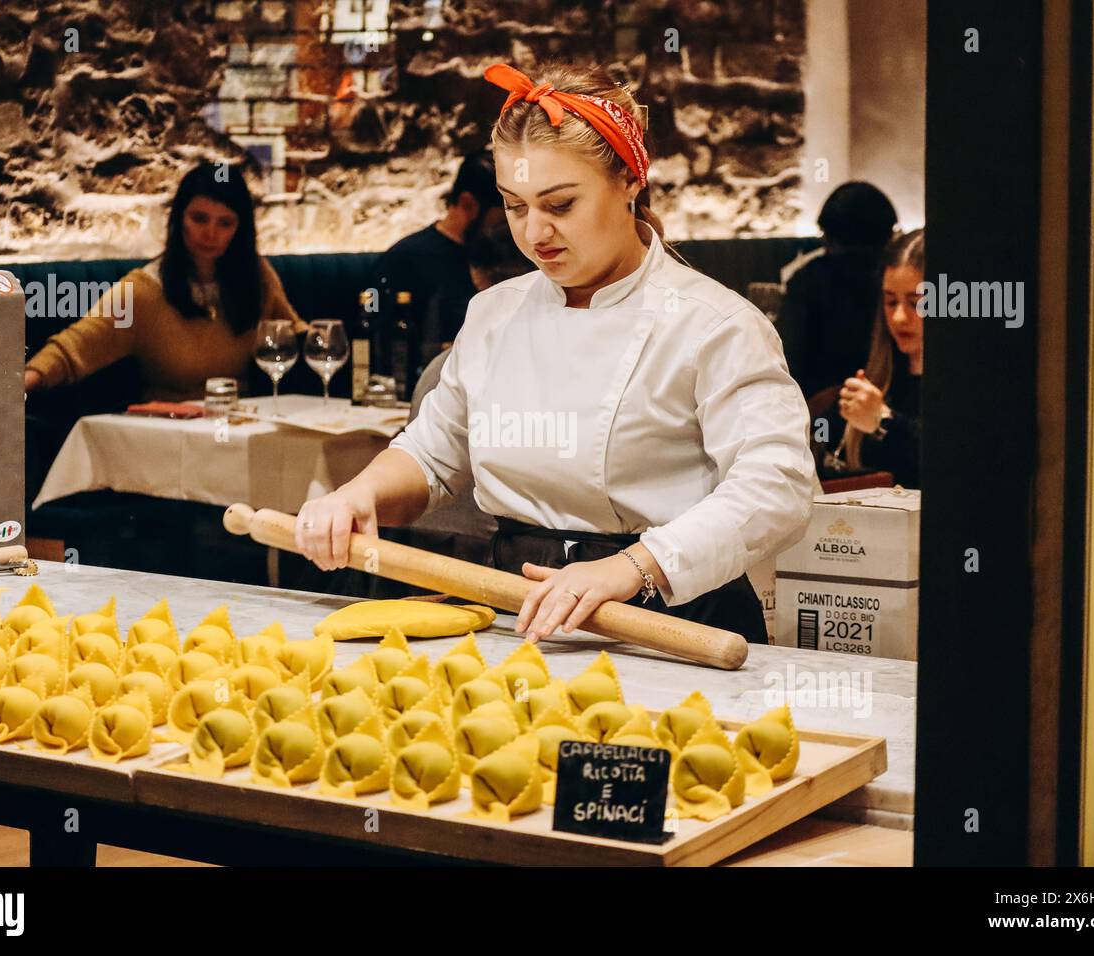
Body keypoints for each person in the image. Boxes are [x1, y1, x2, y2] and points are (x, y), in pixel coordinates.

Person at [294, 62, 815, 646]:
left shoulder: (713, 324)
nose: (534, 233)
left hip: (670, 622)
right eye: (515, 206)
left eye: (560, 204)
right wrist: (358, 492)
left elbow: (778, 485)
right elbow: (432, 453)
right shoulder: (495, 312)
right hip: (516, 609)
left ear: (629, 183)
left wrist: (632, 568)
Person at [24, 162, 303, 402]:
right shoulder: (144, 290)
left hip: (244, 426)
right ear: (179, 218)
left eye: (225, 223)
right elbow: (79, 344)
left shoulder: (256, 277)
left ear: (240, 229)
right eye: (199, 218)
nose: (210, 233)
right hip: (166, 434)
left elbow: (295, 334)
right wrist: (25, 380)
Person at [370, 149, 505, 378]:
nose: (508, 227)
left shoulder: (496, 257)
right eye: (501, 218)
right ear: (468, 204)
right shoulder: (407, 258)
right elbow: (379, 334)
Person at [778, 181, 899, 398]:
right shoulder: (895, 279)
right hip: (888, 401)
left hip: (816, 409)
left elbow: (786, 361)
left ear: (830, 239)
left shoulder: (809, 280)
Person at [834, 229, 924, 488]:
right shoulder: (883, 372)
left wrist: (884, 422)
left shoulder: (973, 379)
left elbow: (951, 464)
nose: (898, 317)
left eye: (915, 302)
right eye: (890, 301)